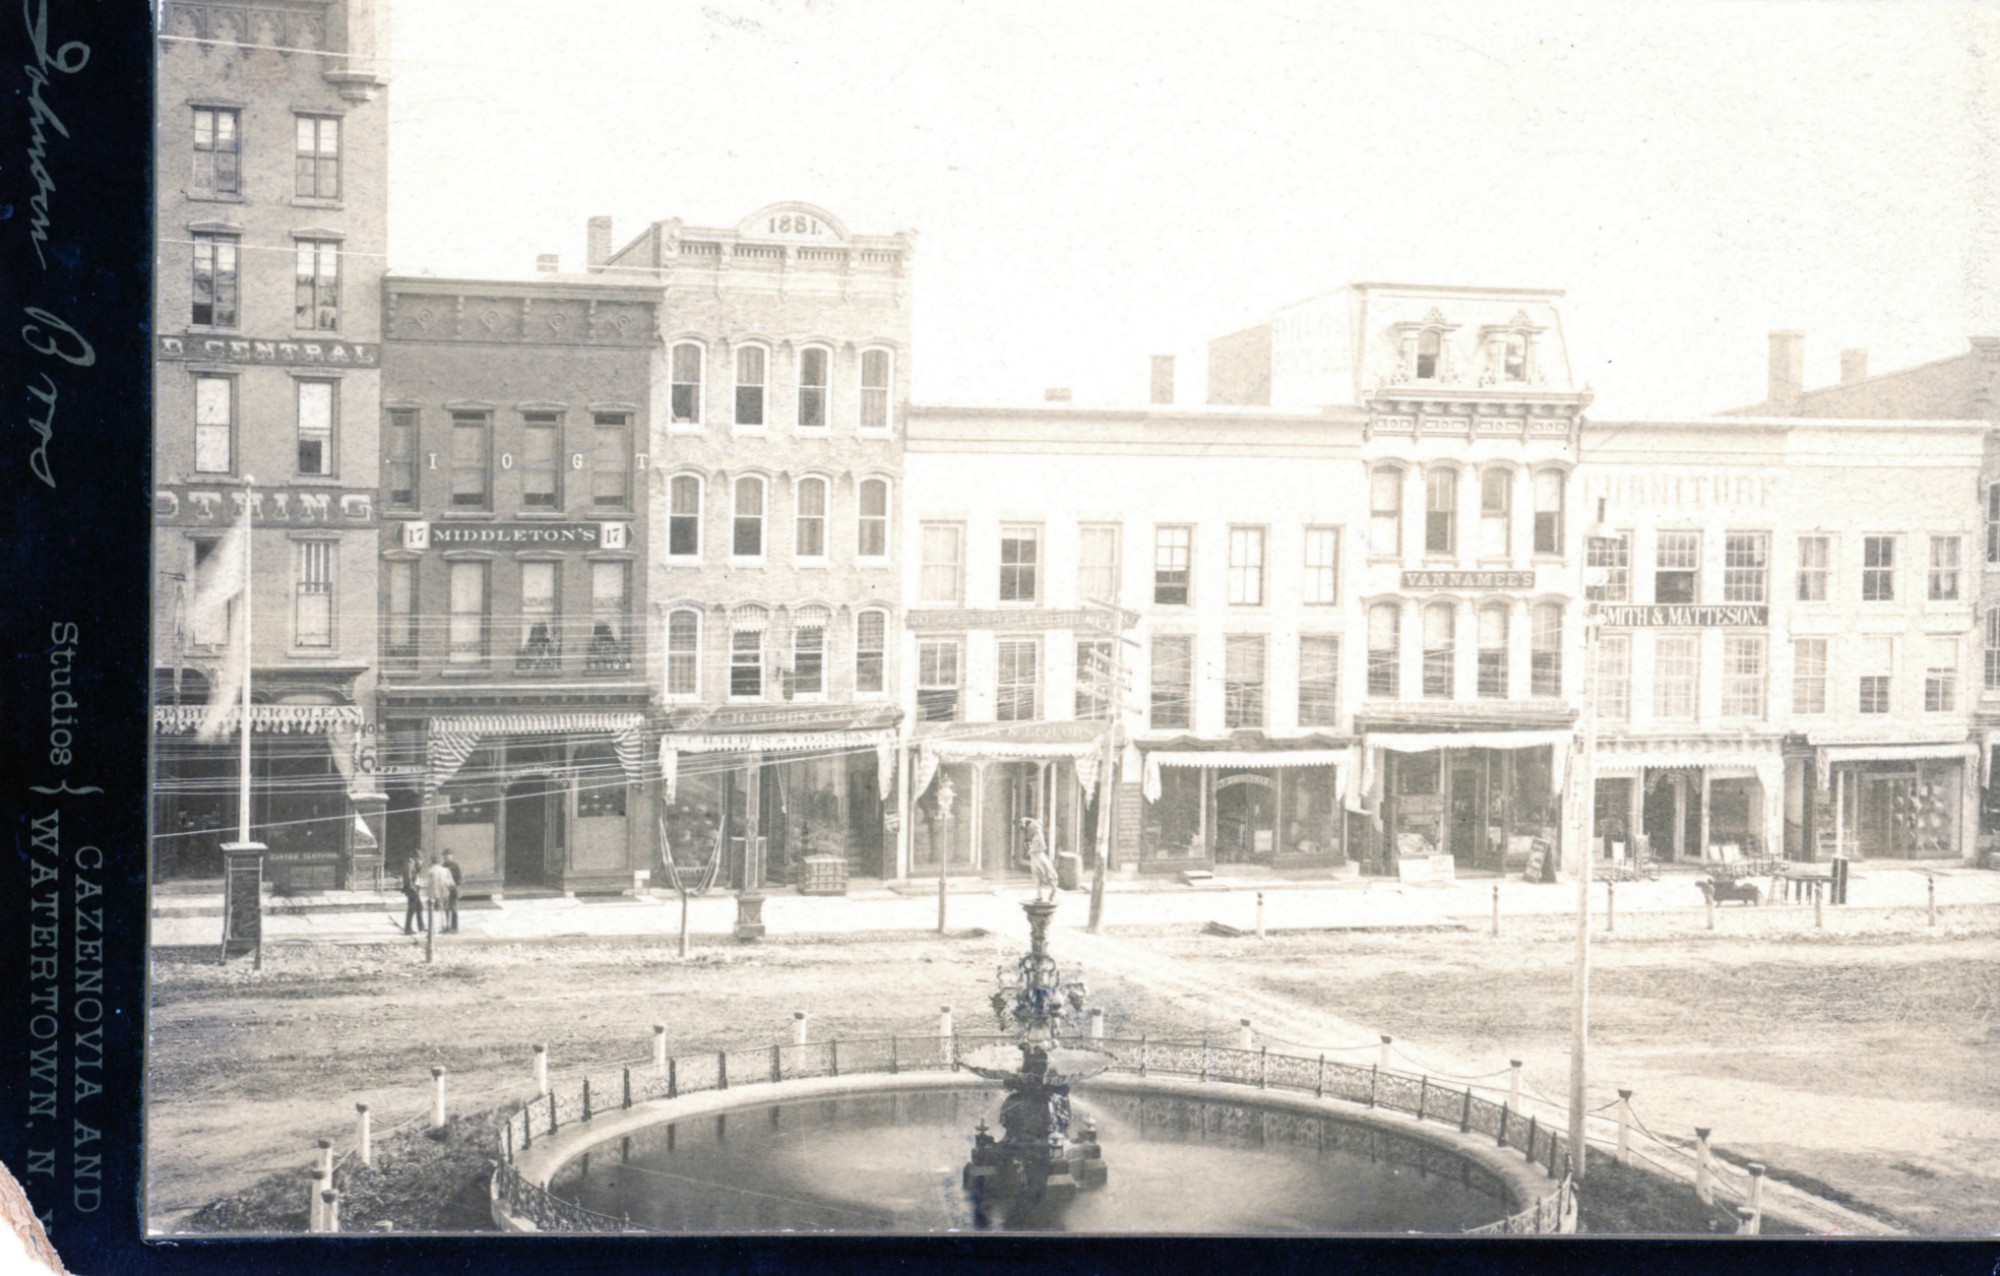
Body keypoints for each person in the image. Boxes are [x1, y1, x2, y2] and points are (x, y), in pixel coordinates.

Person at [1020, 817, 1056, 901]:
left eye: (1032, 829)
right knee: (1036, 875)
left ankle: (1053, 890)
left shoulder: (1039, 836)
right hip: (1034, 857)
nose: (1030, 830)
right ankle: (1039, 894)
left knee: (1046, 873)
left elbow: (1043, 847)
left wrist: (1026, 820)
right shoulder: (1034, 837)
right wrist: (1025, 820)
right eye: (1030, 829)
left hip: (1039, 857)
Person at [423, 856, 455, 934]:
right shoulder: (446, 870)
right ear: (439, 862)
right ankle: (446, 927)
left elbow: (426, 884)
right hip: (444, 893)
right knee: (445, 910)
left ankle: (434, 928)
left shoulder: (430, 871)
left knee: (433, 911)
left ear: (431, 862)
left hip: (433, 894)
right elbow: (451, 883)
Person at [398, 854, 425, 934]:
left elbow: (416, 875)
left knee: (419, 907)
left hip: (414, 889)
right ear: (416, 858)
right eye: (419, 859)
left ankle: (421, 927)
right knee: (412, 909)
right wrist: (414, 889)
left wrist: (419, 866)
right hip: (412, 890)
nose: (420, 861)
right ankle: (408, 929)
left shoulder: (412, 865)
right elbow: (408, 880)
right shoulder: (409, 865)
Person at [441, 849, 462, 933]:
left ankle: (454, 927)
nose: (446, 858)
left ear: (452, 856)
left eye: (448, 856)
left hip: (453, 890)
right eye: (445, 856)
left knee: (453, 909)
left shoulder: (455, 866)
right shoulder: (443, 866)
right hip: (445, 890)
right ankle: (447, 926)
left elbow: (459, 879)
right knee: (446, 908)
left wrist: (456, 887)